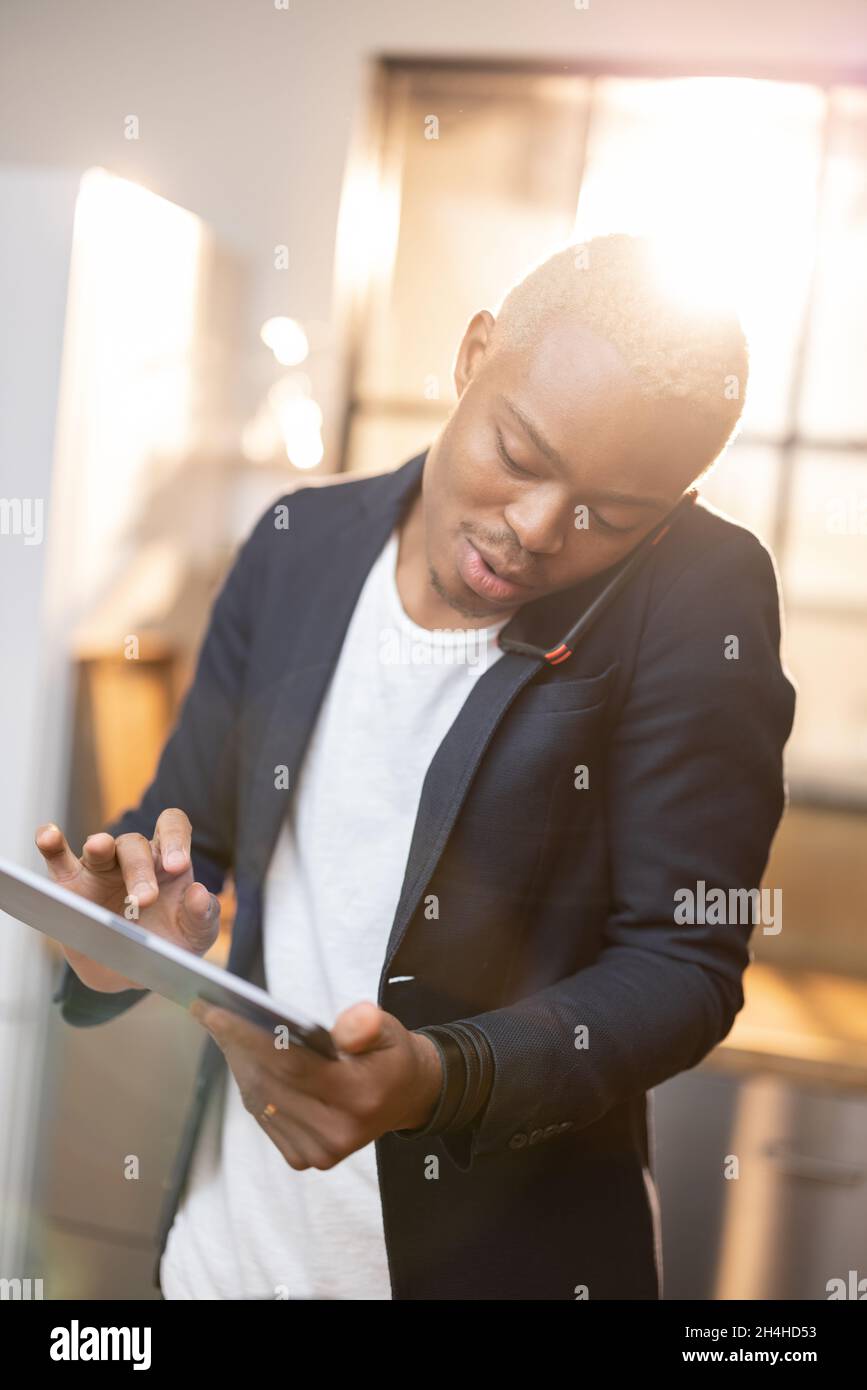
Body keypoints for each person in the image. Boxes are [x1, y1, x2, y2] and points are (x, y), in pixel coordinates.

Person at [38, 233, 796, 1300]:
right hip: (224, 1261)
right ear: (474, 352)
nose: (535, 530)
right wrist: (119, 940)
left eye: (609, 517)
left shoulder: (698, 598)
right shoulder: (299, 541)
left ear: (672, 504)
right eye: (520, 456)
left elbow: (684, 964)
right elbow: (187, 835)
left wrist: (440, 1078)